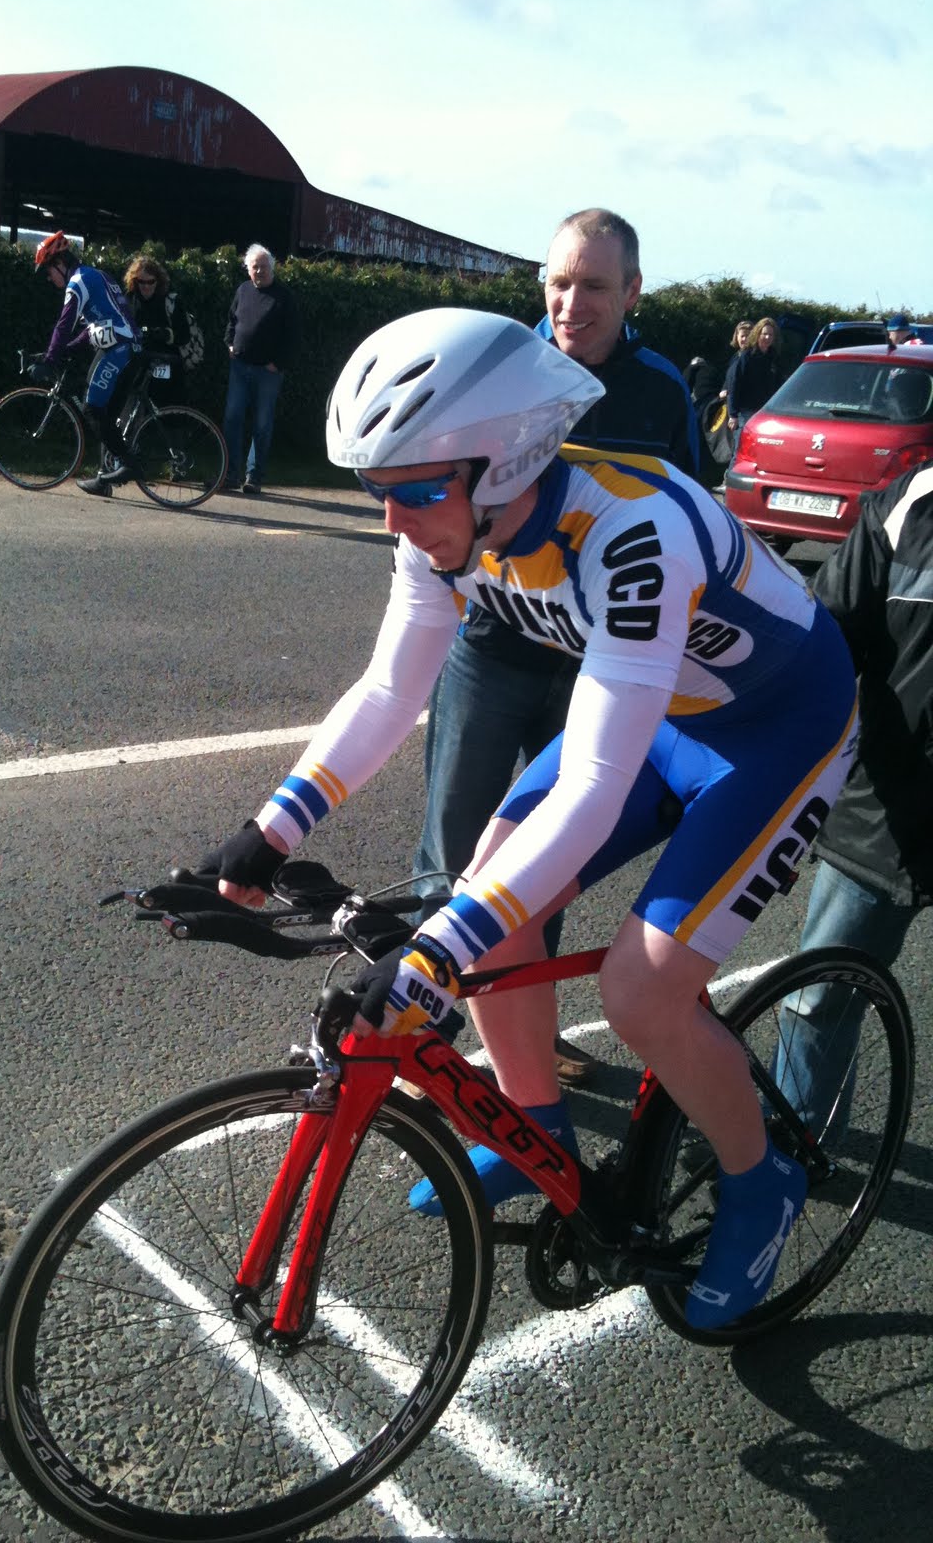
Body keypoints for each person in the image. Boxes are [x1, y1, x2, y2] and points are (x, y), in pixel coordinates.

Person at [198, 307, 856, 1329]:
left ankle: (762, 1179)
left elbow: (594, 782)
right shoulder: (452, 513)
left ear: (500, 465)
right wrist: (270, 829)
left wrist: (436, 952)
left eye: (412, 491)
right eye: (378, 491)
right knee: (494, 889)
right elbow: (388, 691)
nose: (392, 521)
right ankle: (527, 1123)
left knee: (642, 991)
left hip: (779, 727)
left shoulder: (631, 530)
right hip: (663, 710)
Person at [414, 207, 700, 1086]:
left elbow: (693, 515)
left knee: (551, 846)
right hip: (495, 648)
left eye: (596, 287)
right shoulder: (501, 370)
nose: (572, 303)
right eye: (559, 283)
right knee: (455, 842)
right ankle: (421, 1019)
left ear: (633, 293)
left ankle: (524, 1025)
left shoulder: (661, 391)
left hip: (595, 665)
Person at [775, 461, 933, 1135]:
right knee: (817, 995)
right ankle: (795, 1141)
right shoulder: (911, 505)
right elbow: (824, 636)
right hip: (887, 810)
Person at [25, 232, 143, 500]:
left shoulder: (77, 283)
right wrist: (59, 351)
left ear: (59, 263)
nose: (48, 278)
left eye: (47, 271)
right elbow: (93, 330)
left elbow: (64, 324)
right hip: (126, 348)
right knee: (103, 417)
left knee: (92, 408)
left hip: (120, 350)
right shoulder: (94, 275)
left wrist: (51, 360)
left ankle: (130, 464)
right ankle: (104, 479)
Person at [222, 244, 299, 495]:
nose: (259, 271)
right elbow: (232, 320)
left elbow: (292, 335)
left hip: (268, 372)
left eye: (263, 266)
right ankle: (230, 473)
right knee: (232, 418)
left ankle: (253, 476)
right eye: (254, 267)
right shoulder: (243, 290)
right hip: (240, 366)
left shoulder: (284, 296)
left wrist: (278, 363)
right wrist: (230, 343)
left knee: (262, 424)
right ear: (248, 269)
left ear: (272, 268)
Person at [123, 254, 193, 367]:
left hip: (166, 362)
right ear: (135, 281)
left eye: (150, 282)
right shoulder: (129, 299)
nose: (146, 286)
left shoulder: (171, 301)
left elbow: (184, 336)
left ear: (158, 281)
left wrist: (165, 334)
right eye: (141, 281)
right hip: (137, 364)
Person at [726, 316, 783, 433]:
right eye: (764, 334)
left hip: (766, 412)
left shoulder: (774, 358)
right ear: (757, 334)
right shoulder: (746, 356)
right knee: (741, 448)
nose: (767, 337)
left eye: (770, 335)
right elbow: (734, 384)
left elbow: (779, 385)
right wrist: (733, 414)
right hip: (745, 412)